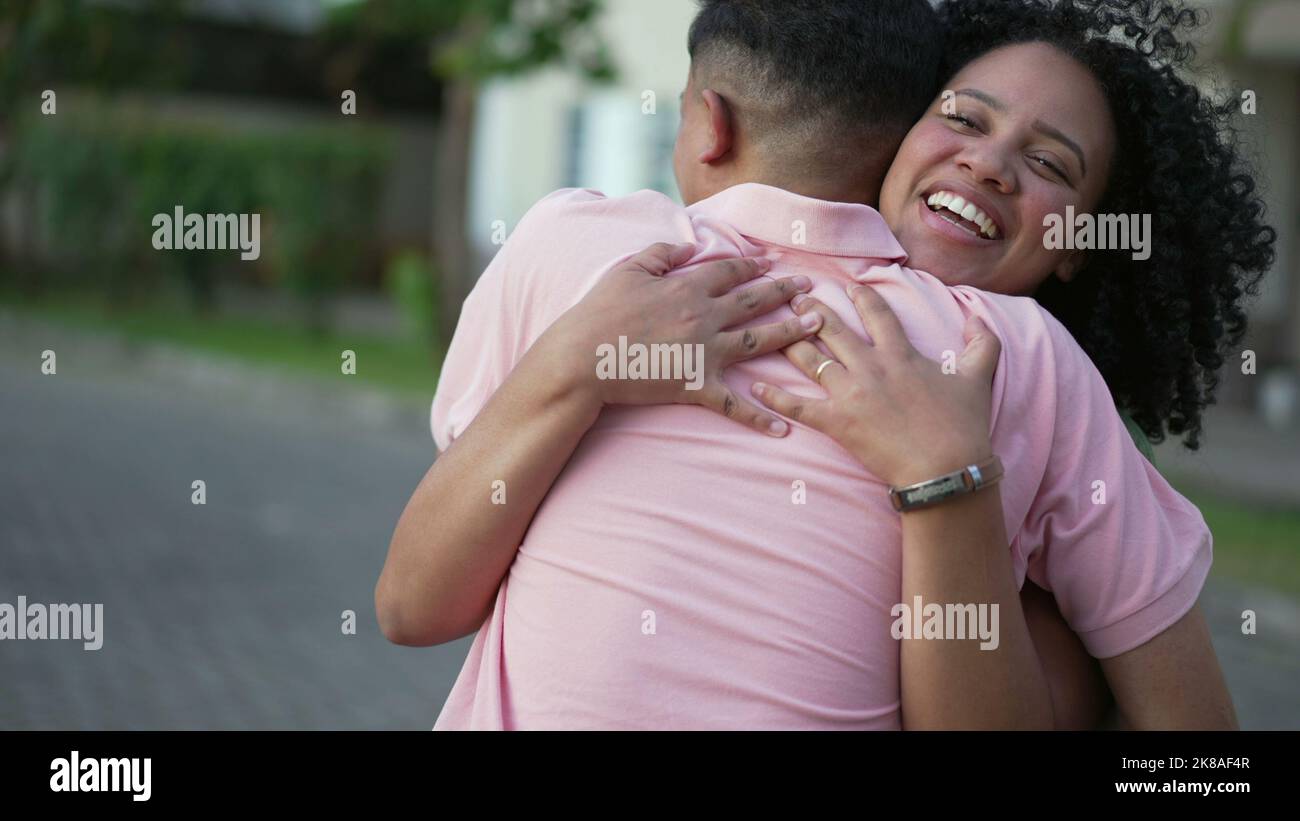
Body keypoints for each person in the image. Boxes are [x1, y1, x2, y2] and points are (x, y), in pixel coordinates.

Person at [377, 0, 1269, 729]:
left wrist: (947, 481)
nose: (990, 164)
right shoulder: (599, 255)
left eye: (1047, 164)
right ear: (890, 138)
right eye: (962, 118)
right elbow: (412, 603)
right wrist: (577, 361)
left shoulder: (1029, 361)